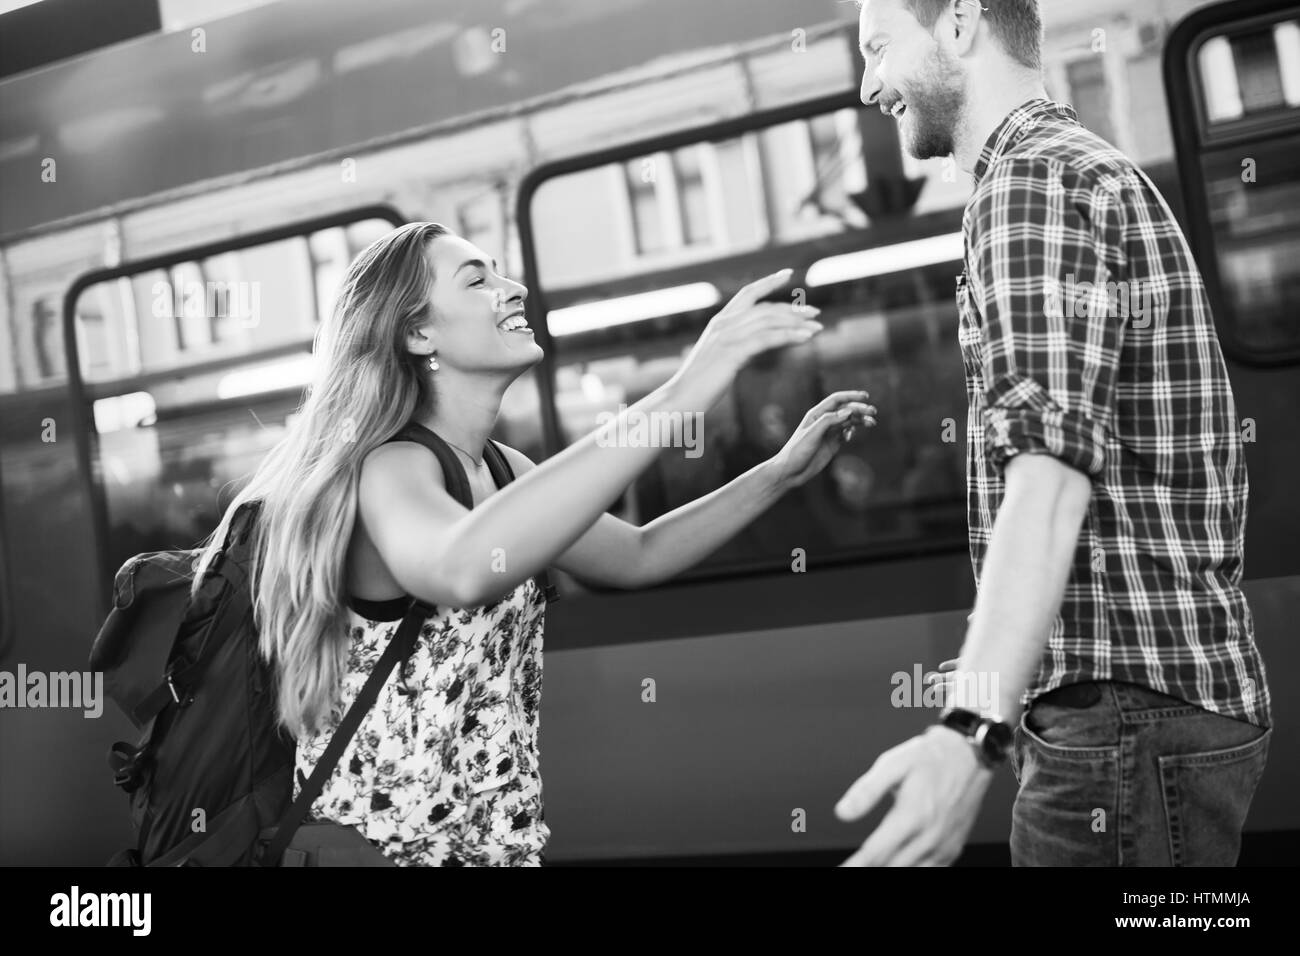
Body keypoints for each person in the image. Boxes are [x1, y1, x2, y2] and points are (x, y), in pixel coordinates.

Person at [190, 221, 875, 866]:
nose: (511, 289)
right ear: (419, 333)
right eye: (476, 280)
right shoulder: (387, 468)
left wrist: (778, 475)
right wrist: (689, 385)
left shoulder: (497, 466)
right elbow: (459, 568)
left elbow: (637, 554)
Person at [836, 0, 1271, 866]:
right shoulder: (1080, 167)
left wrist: (967, 730)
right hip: (1153, 706)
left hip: (1121, 713)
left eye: (880, 47)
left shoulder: (1030, 183)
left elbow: (1048, 474)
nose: (867, 83)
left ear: (960, 24)